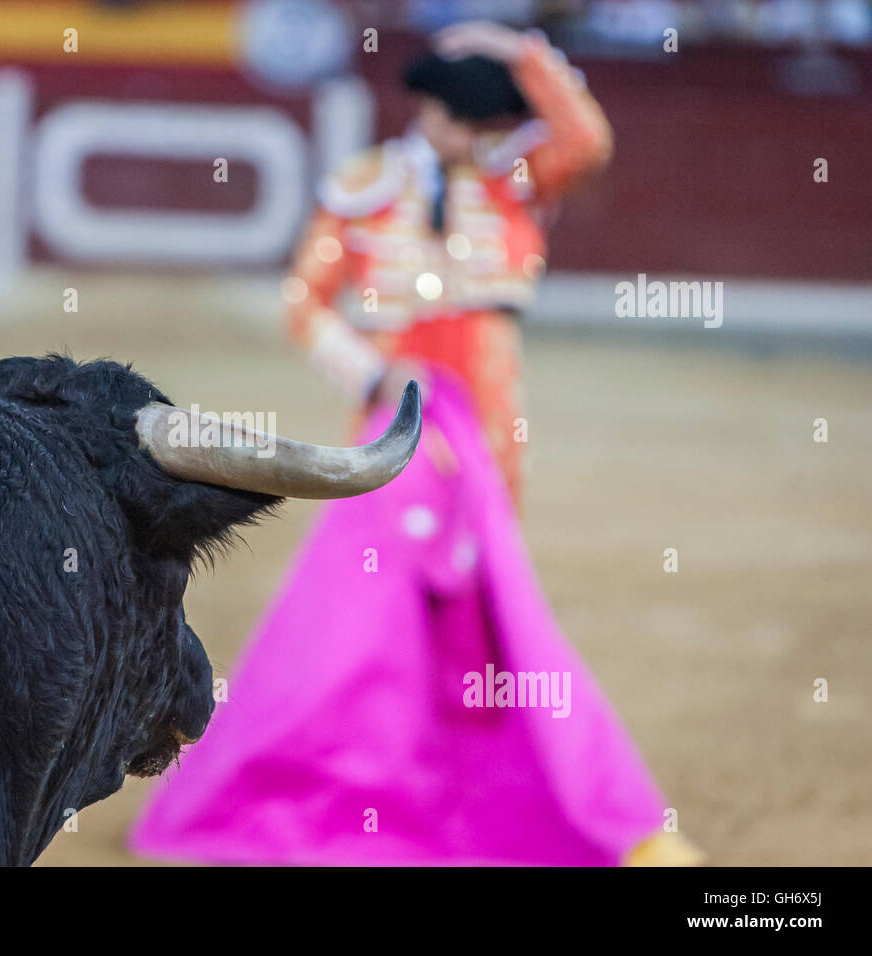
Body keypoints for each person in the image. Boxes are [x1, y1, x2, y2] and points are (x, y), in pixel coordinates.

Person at [130, 20, 703, 866]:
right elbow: (305, 300)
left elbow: (588, 138)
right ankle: (365, 784)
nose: (480, 137)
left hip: (495, 401)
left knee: (482, 593)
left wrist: (518, 51)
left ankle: (454, 777)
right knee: (373, 601)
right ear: (428, 106)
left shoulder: (517, 174)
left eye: (491, 123)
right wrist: (375, 382)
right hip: (400, 406)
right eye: (467, 118)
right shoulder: (365, 185)